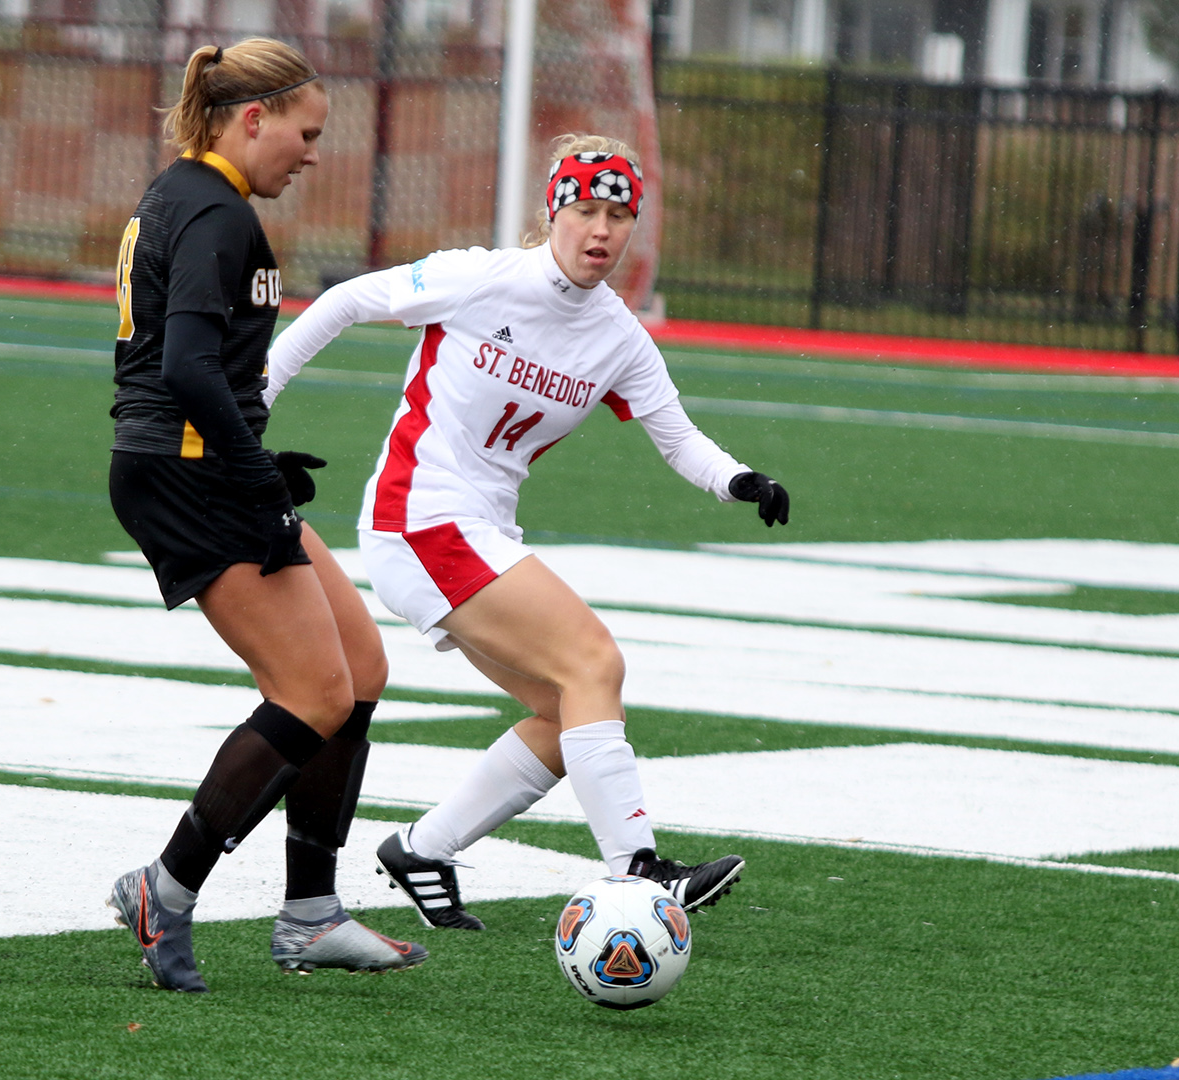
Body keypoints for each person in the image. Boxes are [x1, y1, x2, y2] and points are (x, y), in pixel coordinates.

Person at [265, 134, 792, 931]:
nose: (601, 231)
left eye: (619, 215)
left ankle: (424, 848)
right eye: (585, 209)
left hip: (477, 532)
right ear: (554, 211)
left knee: (565, 708)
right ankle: (640, 870)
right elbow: (342, 302)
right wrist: (252, 408)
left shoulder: (618, 334)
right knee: (595, 662)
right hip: (420, 518)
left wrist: (741, 480)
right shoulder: (483, 278)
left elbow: (677, 436)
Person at [102, 37, 425, 992]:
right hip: (189, 475)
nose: (312, 152)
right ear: (253, 119)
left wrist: (253, 455)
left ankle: (311, 912)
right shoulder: (211, 211)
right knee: (314, 693)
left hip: (203, 461)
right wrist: (257, 479)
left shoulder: (194, 195)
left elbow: (195, 364)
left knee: (359, 667)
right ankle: (166, 886)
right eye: (305, 132)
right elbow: (186, 369)